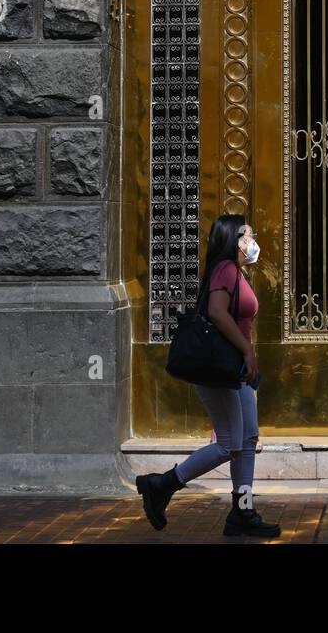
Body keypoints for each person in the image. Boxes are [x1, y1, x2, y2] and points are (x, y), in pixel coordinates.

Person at [135, 214, 281, 538]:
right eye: (249, 236)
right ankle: (163, 484)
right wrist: (247, 349)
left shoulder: (234, 271)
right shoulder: (226, 270)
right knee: (229, 443)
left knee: (248, 437)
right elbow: (216, 312)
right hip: (220, 370)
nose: (253, 242)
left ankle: (242, 511)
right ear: (235, 239)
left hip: (235, 372)